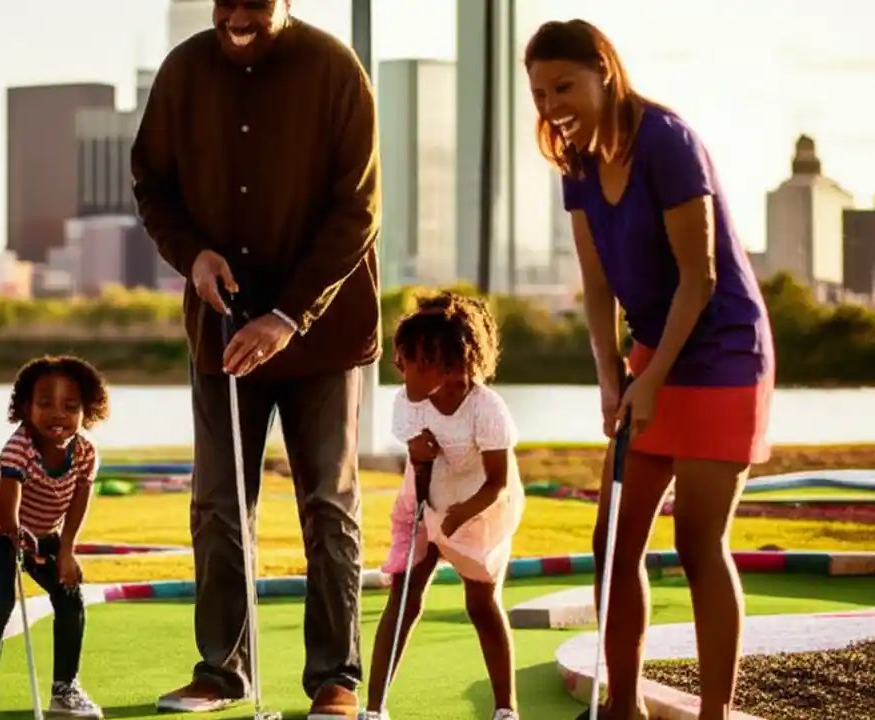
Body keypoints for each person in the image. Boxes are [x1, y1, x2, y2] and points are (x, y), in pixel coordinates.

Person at [130, 0, 381, 716]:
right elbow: (153, 184)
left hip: (322, 332)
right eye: (227, 1)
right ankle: (220, 671)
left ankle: (337, 679)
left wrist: (287, 315)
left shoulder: (336, 69)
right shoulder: (182, 70)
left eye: (257, 3)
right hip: (220, 329)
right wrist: (192, 255)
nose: (240, 15)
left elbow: (358, 209)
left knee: (329, 505)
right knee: (217, 505)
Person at [525, 19, 776, 720]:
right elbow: (597, 285)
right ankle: (622, 706)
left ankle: (713, 715)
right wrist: (612, 379)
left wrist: (653, 377)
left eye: (565, 86)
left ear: (605, 69)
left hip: (722, 352)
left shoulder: (667, 141)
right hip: (649, 357)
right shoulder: (574, 163)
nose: (552, 104)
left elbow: (699, 279)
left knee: (698, 543)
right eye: (540, 92)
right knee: (613, 539)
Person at [361, 292, 524, 720]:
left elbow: (499, 483)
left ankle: (507, 707)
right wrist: (418, 455)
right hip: (426, 496)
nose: (399, 366)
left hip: (479, 506)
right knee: (404, 595)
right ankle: (374, 707)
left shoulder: (486, 409)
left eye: (411, 360)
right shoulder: (406, 402)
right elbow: (418, 459)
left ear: (450, 366)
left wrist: (462, 514)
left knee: (481, 603)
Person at [0, 356, 111, 720]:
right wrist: (20, 542)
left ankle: (65, 689)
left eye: (70, 407)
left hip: (46, 533)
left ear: (87, 410)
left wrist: (67, 551)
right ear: (25, 407)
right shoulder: (18, 447)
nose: (58, 415)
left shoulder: (85, 452)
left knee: (70, 596)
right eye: (45, 404)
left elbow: (78, 501)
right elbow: (9, 508)